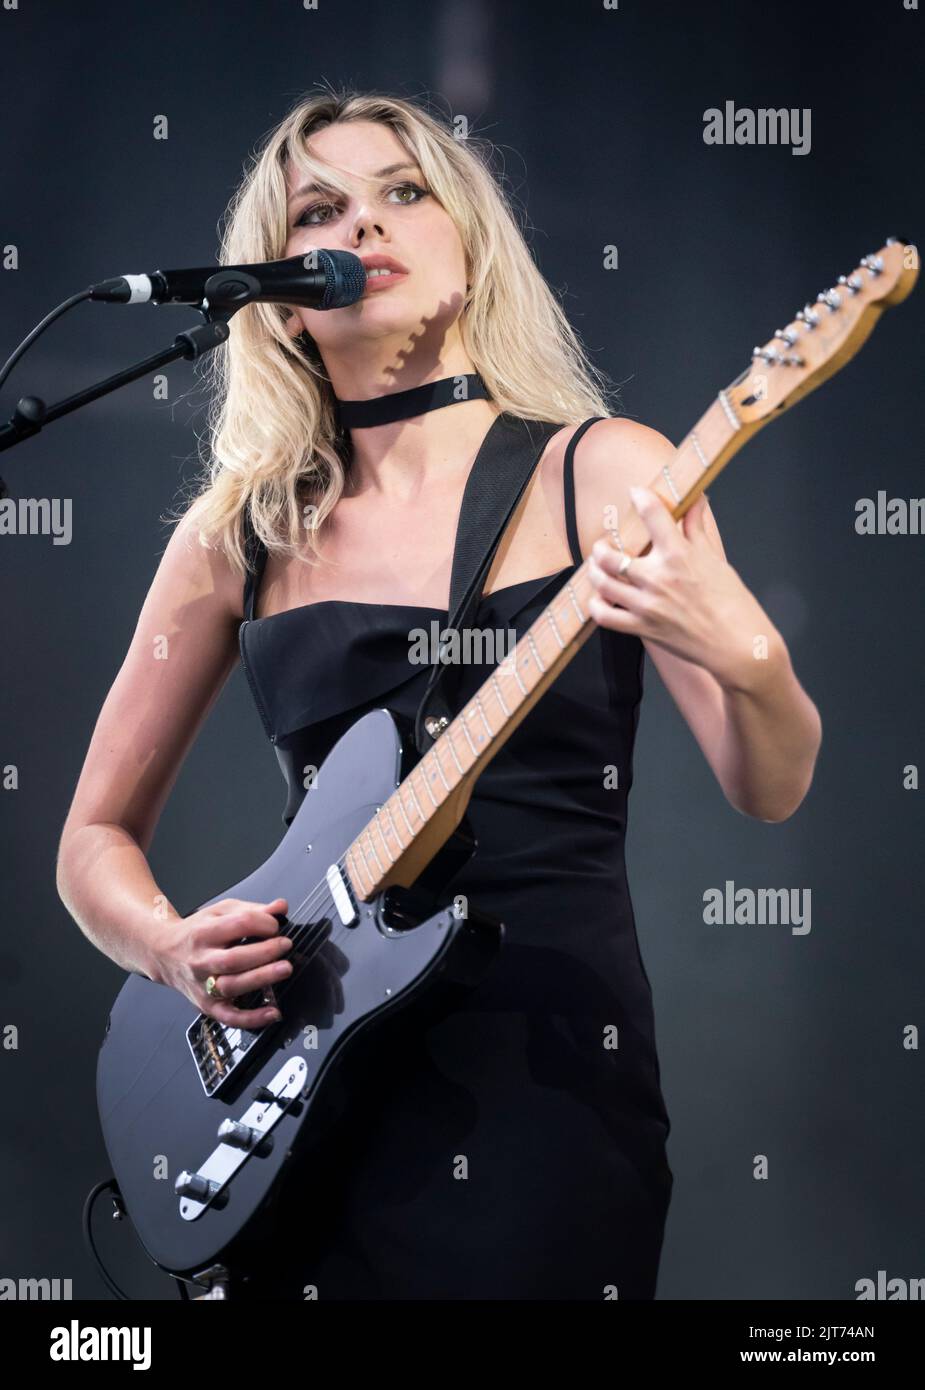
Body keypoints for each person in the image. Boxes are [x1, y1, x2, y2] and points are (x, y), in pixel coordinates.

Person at [56, 87, 822, 1300]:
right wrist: (167, 947)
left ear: (468, 249)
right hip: (292, 1090)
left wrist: (750, 655)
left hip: (544, 1080)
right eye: (322, 208)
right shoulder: (238, 536)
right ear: (279, 299)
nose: (366, 225)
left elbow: (769, 785)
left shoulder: (607, 471)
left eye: (403, 193)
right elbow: (90, 839)